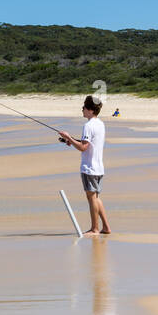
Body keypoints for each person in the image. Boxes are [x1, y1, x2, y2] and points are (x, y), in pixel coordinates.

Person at [58, 95, 111, 235]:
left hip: (89, 168)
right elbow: (87, 143)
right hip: (99, 167)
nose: (82, 109)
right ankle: (106, 227)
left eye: (84, 107)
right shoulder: (100, 124)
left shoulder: (88, 126)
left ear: (91, 110)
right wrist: (72, 141)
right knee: (96, 197)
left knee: (91, 198)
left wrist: (68, 137)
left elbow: (83, 147)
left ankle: (95, 228)